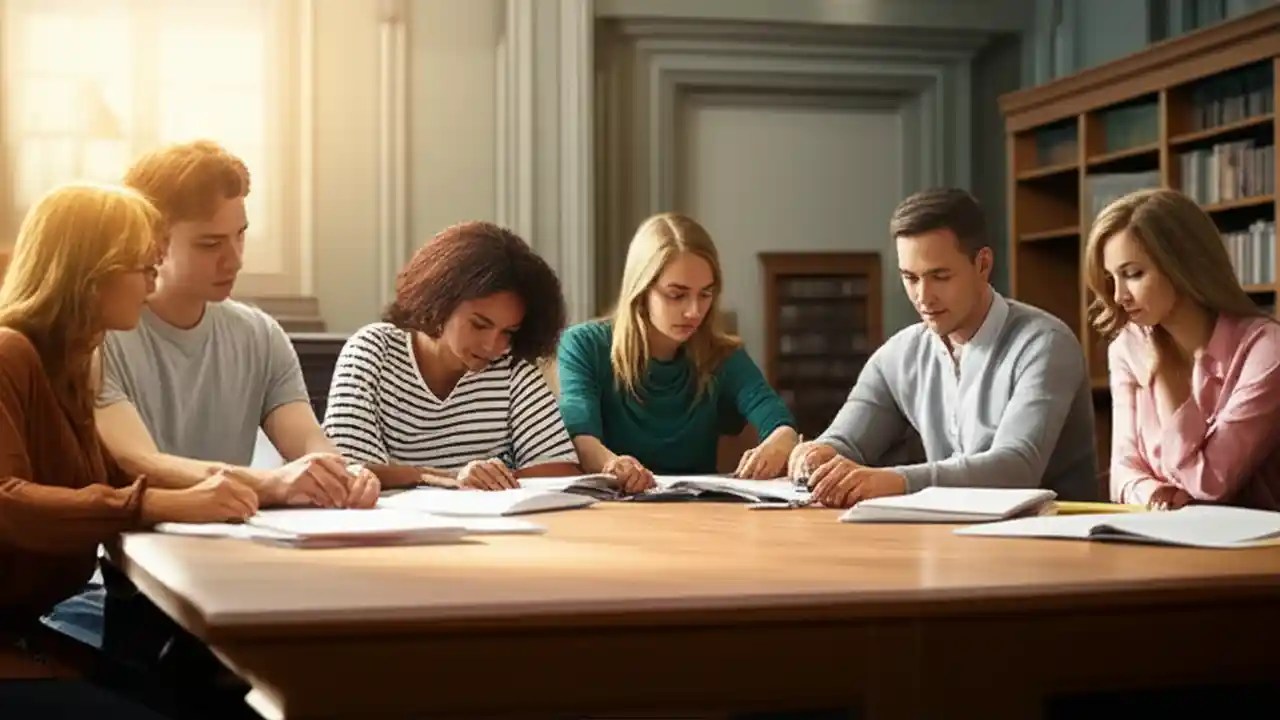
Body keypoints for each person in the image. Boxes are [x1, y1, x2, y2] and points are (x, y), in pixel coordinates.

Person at [1, 183, 257, 716]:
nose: (152, 283)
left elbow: (113, 475)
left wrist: (258, 493)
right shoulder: (10, 353)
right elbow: (9, 503)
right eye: (143, 266)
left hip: (26, 636)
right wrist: (157, 503)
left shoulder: (68, 365)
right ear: (90, 275)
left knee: (213, 694)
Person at [95, 140, 377, 508]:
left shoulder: (260, 335)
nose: (235, 260)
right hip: (134, 552)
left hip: (232, 539)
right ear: (149, 241)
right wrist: (273, 483)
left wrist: (341, 474)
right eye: (210, 244)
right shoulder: (101, 337)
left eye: (240, 235)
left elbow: (308, 443)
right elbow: (139, 465)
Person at [790, 188, 1097, 507]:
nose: (923, 296)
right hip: (953, 540)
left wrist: (898, 481)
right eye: (910, 278)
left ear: (983, 265)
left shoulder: (1045, 344)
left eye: (939, 276)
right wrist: (817, 456)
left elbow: (1016, 469)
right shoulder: (898, 356)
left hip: (1053, 543)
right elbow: (846, 442)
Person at [323, 221, 579, 489]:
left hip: (493, 530)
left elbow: (559, 476)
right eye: (479, 324)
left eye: (509, 332)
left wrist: (484, 481)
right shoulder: (374, 351)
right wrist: (450, 479)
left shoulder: (513, 371)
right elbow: (349, 474)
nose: (494, 346)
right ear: (441, 301)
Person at [557, 213, 798, 492]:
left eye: (705, 294)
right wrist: (614, 465)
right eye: (677, 294)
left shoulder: (724, 355)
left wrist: (781, 441)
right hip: (614, 507)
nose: (694, 311)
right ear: (642, 290)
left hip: (698, 512)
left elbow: (777, 420)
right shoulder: (584, 346)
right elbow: (580, 435)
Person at [1086, 188, 1280, 511]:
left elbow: (1209, 482)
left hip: (1255, 552)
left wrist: (1163, 376)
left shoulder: (1266, 351)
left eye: (1133, 274)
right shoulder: (1127, 346)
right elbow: (1121, 472)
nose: (1119, 296)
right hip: (1162, 537)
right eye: (1112, 278)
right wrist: (1156, 496)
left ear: (1182, 265)